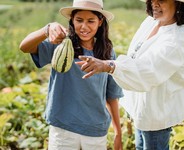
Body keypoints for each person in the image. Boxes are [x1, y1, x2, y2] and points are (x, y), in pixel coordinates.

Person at [76, 0, 184, 149]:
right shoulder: (152, 22)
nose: (155, 4)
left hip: (156, 113)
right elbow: (136, 57)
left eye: (162, 0)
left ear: (178, 4)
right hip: (142, 110)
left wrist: (109, 65)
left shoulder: (174, 42)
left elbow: (146, 70)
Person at [19, 0, 124, 149]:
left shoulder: (107, 52)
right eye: (79, 20)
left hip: (96, 130)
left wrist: (118, 133)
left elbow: (112, 95)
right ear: (72, 20)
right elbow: (24, 47)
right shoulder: (60, 44)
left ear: (100, 22)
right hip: (63, 128)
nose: (84, 26)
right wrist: (47, 29)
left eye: (91, 21)